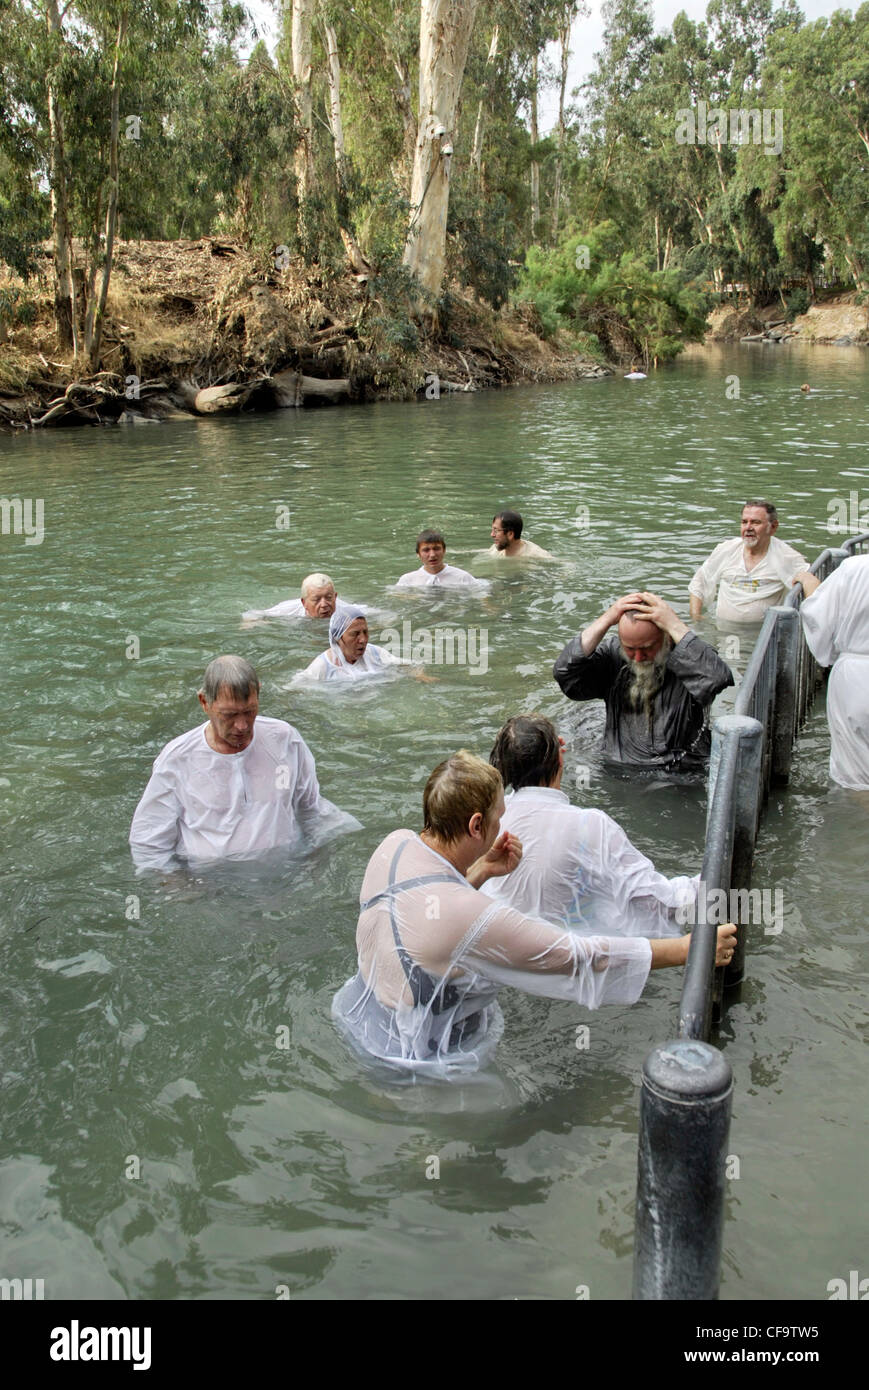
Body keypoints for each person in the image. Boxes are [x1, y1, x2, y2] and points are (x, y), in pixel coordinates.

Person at [331, 751, 736, 1075]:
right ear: (476, 825)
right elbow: (578, 955)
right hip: (425, 1064)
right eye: (498, 817)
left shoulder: (393, 845)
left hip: (359, 1025)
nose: (502, 823)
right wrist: (689, 949)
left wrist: (481, 870)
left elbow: (425, 914)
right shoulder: (470, 917)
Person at [129, 655, 358, 869]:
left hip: (286, 872)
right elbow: (149, 843)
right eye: (229, 715)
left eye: (249, 711)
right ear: (204, 702)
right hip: (212, 882)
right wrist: (180, 889)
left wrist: (324, 858)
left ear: (258, 694)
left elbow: (310, 807)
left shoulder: (284, 739)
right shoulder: (178, 759)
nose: (242, 725)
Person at [481, 715, 697, 934]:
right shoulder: (591, 825)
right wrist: (715, 886)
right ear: (560, 758)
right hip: (566, 959)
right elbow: (659, 901)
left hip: (497, 950)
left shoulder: (489, 818)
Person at [553, 591, 734, 772]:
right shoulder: (613, 655)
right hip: (618, 768)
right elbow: (565, 674)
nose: (638, 658)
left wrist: (674, 624)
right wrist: (607, 618)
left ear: (667, 637)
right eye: (630, 648)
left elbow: (718, 678)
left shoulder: (692, 657)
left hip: (677, 774)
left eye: (647, 648)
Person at [800, 555, 869, 789]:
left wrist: (811, 587)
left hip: (857, 680)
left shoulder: (854, 567)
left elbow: (820, 619)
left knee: (857, 775)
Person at [689, 501, 819, 624]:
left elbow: (812, 583)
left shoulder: (786, 556)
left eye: (756, 522)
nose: (748, 528)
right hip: (723, 634)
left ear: (773, 527)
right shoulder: (726, 550)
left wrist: (811, 623)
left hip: (764, 637)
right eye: (744, 522)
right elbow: (700, 581)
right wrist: (696, 617)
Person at [294, 606, 412, 683]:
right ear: (338, 638)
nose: (363, 639)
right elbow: (294, 689)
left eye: (365, 632)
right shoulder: (322, 667)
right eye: (355, 634)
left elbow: (408, 665)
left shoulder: (375, 654)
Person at [242, 572, 362, 623]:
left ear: (335, 597)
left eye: (329, 597)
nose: (324, 604)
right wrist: (258, 624)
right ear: (304, 602)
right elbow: (251, 614)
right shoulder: (290, 609)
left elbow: (377, 614)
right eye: (317, 599)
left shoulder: (346, 609)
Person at [395, 530, 485, 589]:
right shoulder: (407, 580)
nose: (432, 555)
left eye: (436, 549)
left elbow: (482, 594)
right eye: (426, 550)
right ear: (418, 554)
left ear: (444, 550)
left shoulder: (462, 577)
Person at [488, 510, 552, 559]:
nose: (492, 534)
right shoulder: (495, 549)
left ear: (510, 534)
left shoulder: (536, 555)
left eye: (496, 530)